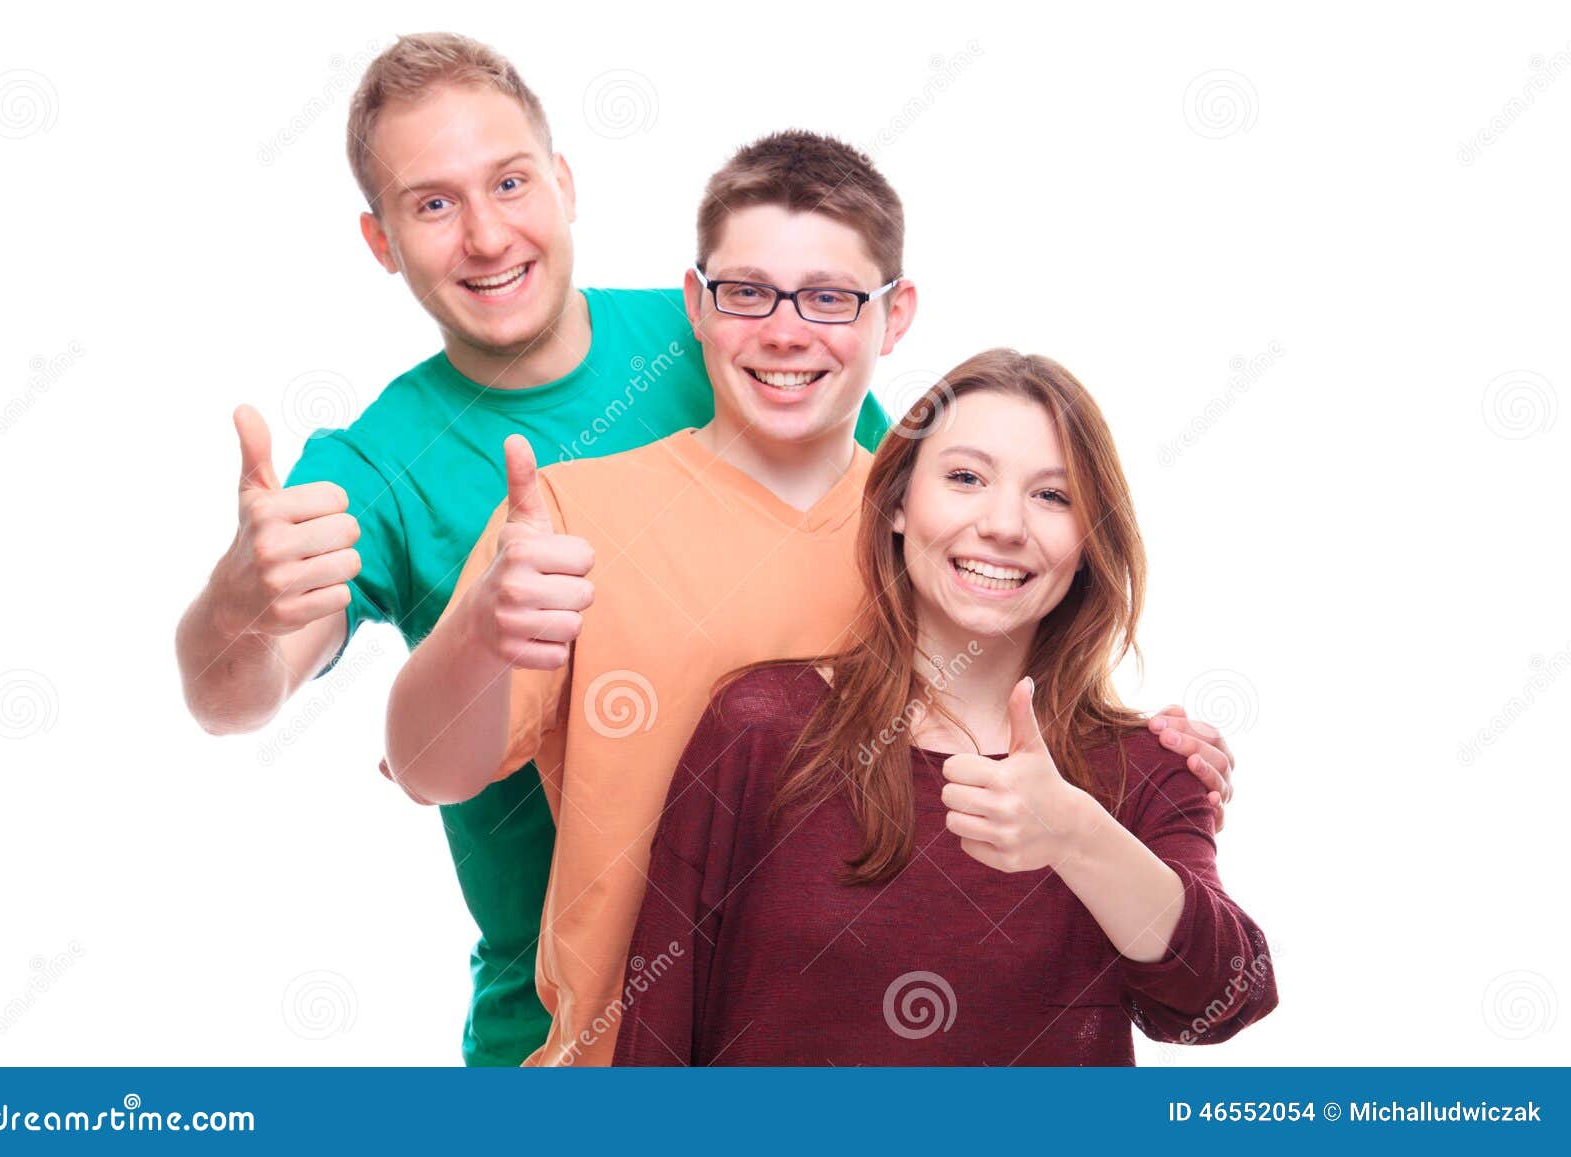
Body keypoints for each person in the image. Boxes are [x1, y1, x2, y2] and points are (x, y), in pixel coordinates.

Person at [385, 137, 1240, 1066]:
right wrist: (476, 631)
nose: (787, 331)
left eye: (830, 297)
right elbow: (429, 770)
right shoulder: (566, 520)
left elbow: (1044, 715)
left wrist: (1152, 766)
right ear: (697, 305)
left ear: (895, 313)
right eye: (747, 291)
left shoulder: (946, 538)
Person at [171, 31, 898, 1067]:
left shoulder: (743, 335)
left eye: (509, 182)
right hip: (564, 1027)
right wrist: (236, 600)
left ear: (562, 183)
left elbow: (931, 580)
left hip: (820, 1006)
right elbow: (229, 698)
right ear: (380, 241)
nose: (484, 235)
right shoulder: (375, 467)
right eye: (432, 204)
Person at [613, 350, 1278, 1065]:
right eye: (966, 478)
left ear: (1088, 543)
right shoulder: (762, 724)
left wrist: (1081, 837)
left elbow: (1224, 994)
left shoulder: (1147, 767)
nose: (1004, 525)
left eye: (1053, 496)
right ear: (898, 503)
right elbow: (658, 1026)